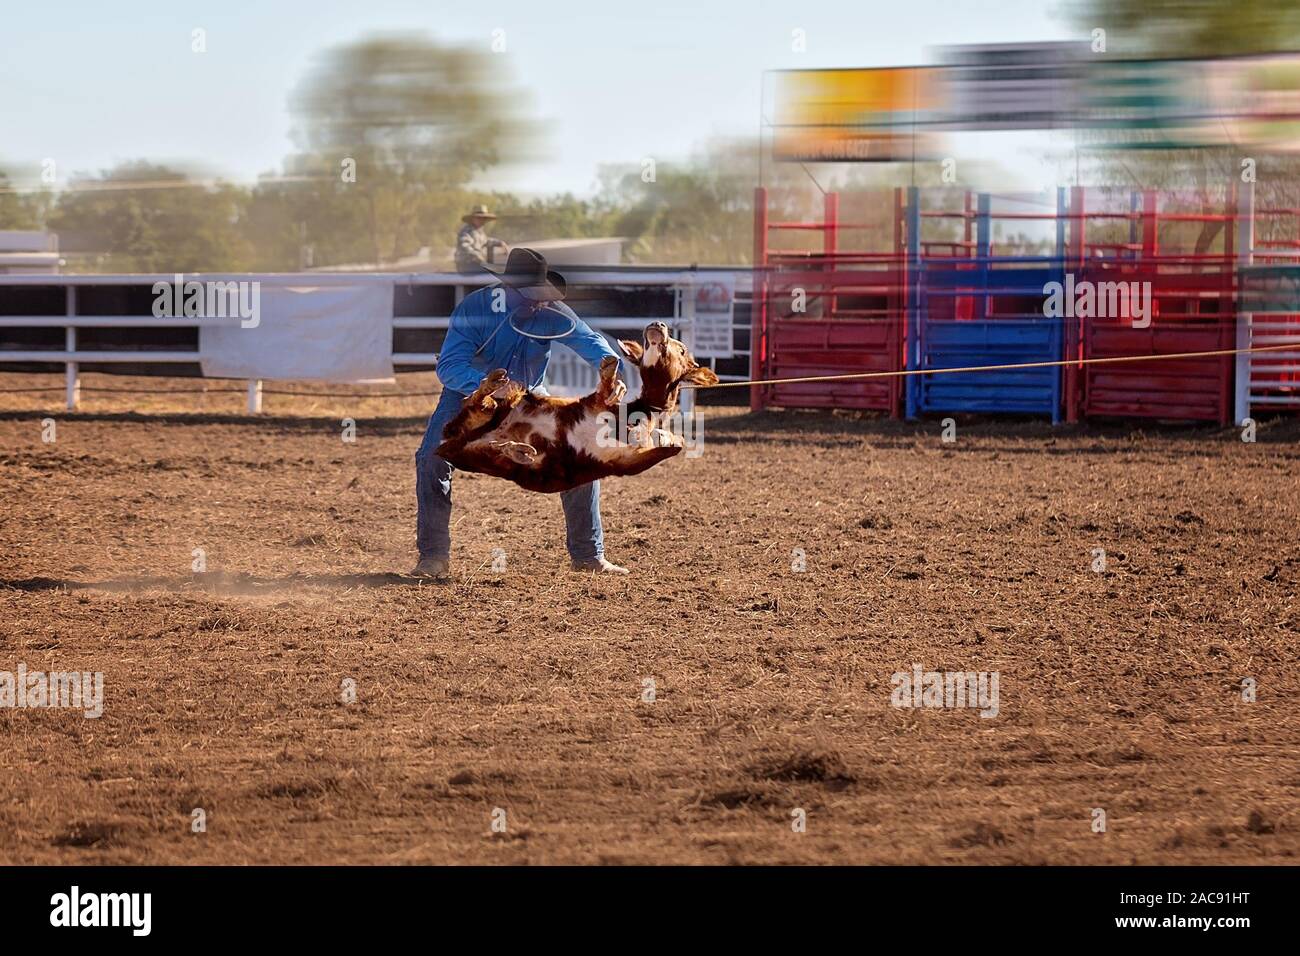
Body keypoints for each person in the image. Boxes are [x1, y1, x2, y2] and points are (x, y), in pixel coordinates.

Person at [413, 248, 629, 578]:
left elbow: (591, 342)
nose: (539, 302)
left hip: (527, 400)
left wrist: (611, 375)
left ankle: (587, 555)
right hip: (468, 398)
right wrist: (484, 385)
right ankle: (433, 556)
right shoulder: (475, 309)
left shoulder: (552, 310)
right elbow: (450, 366)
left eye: (542, 295)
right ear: (509, 288)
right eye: (532, 295)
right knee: (431, 457)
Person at [454, 204, 508, 274]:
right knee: (492, 274)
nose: (482, 220)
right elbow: (465, 246)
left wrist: (500, 242)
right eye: (479, 218)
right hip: (466, 265)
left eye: (484, 218)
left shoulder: (479, 231)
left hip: (475, 264)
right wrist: (479, 258)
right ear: (473, 219)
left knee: (497, 271)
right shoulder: (467, 230)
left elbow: (485, 241)